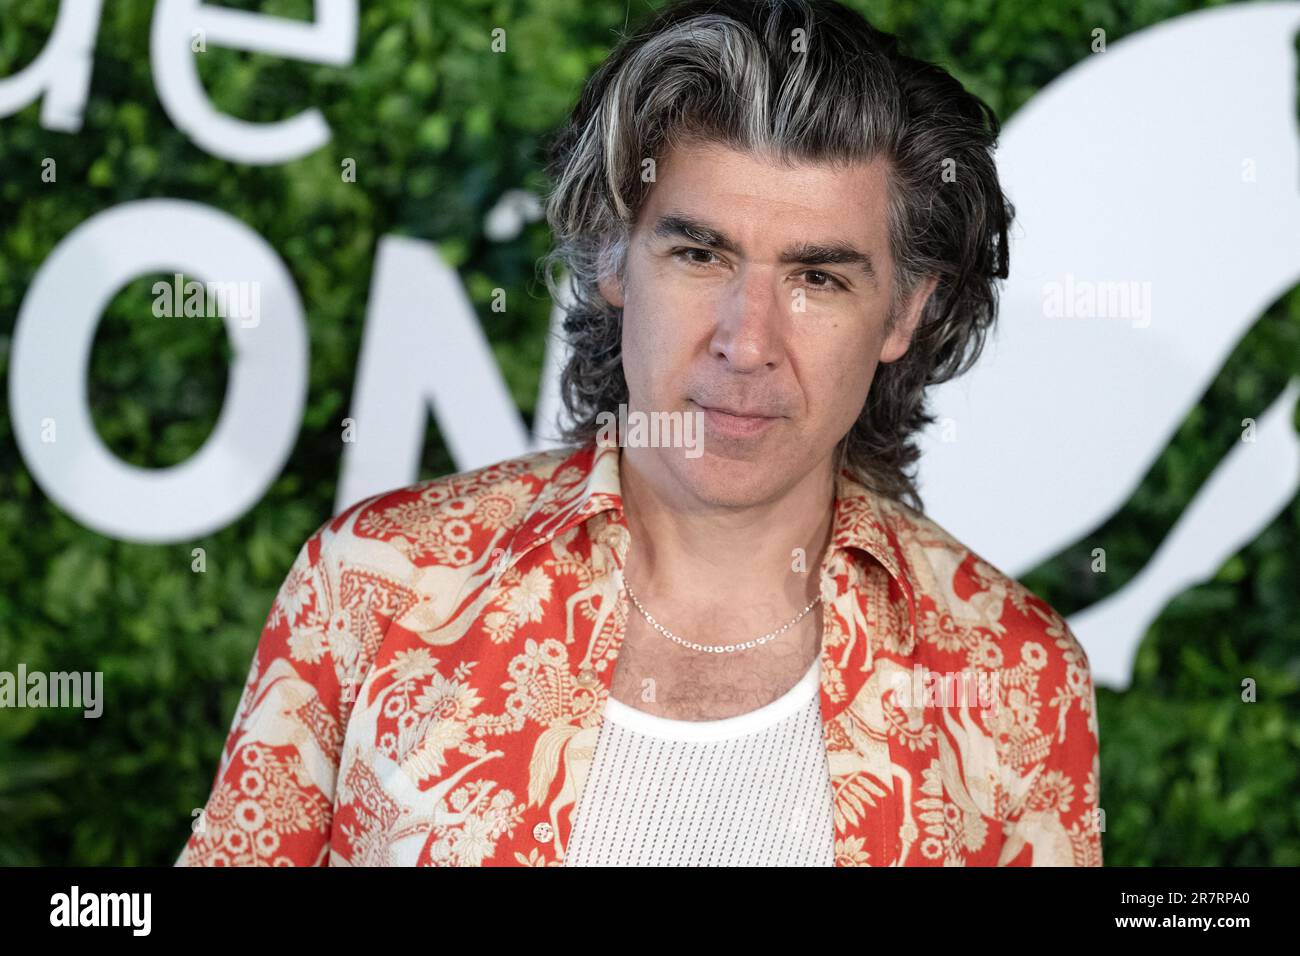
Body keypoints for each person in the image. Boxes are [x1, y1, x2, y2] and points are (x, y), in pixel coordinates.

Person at [177, 0, 1101, 867]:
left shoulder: (1015, 672)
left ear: (903, 313)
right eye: (701, 255)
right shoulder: (373, 585)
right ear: (614, 258)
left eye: (819, 279)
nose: (747, 343)